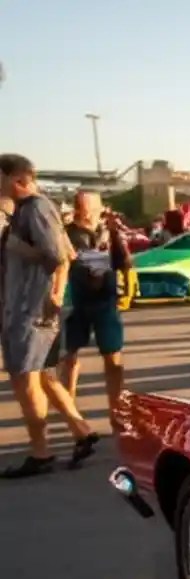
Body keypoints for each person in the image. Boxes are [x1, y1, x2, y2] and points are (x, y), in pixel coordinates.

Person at [0, 154, 98, 477]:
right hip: (29, 307)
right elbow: (67, 252)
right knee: (44, 376)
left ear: (15, 179)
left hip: (30, 309)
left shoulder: (36, 209)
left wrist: (17, 248)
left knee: (26, 381)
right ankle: (82, 431)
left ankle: (40, 453)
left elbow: (57, 256)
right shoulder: (29, 210)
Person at [60, 191, 132, 414]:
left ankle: (117, 408)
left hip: (106, 302)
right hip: (76, 302)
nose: (86, 213)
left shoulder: (110, 233)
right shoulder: (67, 234)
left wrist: (128, 290)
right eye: (81, 208)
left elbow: (125, 263)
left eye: (90, 208)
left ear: (100, 209)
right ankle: (68, 407)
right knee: (69, 356)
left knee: (113, 358)